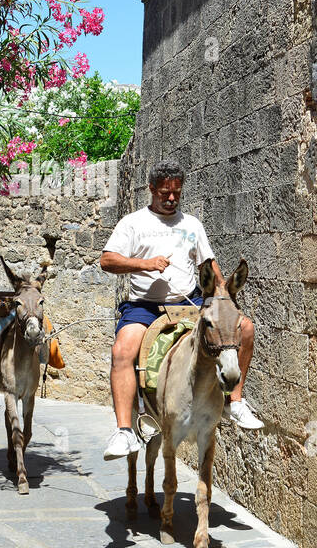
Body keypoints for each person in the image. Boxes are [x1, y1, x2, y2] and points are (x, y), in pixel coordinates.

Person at [99, 158, 263, 459]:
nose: (172, 198)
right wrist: (143, 263)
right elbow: (107, 260)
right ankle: (124, 431)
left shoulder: (191, 225)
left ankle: (234, 402)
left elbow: (208, 263)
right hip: (144, 307)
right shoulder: (133, 223)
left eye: (176, 193)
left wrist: (223, 292)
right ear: (151, 189)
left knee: (245, 328)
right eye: (164, 193)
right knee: (122, 350)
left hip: (190, 303)